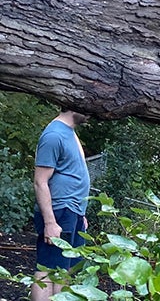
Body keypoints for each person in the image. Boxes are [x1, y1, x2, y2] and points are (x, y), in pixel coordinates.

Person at [31, 109, 91, 301]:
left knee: (66, 269)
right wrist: (50, 222)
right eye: (88, 106)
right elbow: (40, 182)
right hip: (58, 212)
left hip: (72, 212)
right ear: (74, 104)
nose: (91, 113)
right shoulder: (54, 135)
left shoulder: (69, 132)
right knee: (48, 269)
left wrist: (80, 214)